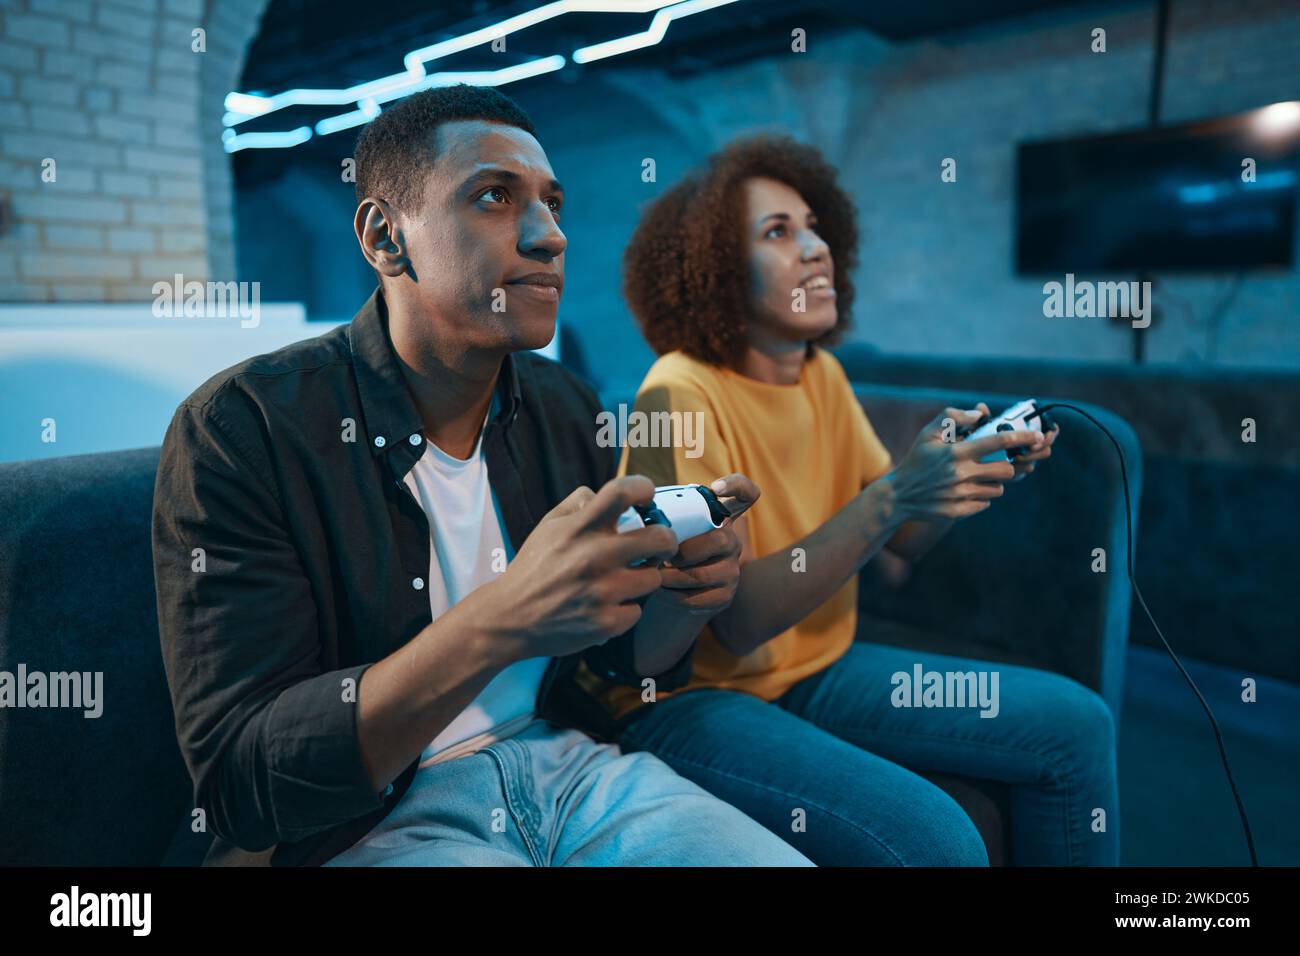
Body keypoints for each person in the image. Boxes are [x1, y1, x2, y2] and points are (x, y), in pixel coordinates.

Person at [152, 87, 811, 867]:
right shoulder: (243, 429)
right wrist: (504, 617)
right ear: (385, 236)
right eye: (495, 197)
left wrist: (680, 601)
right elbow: (245, 780)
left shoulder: (565, 406)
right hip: (375, 819)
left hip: (568, 767)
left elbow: (616, 664)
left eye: (553, 202)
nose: (550, 236)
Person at [578, 135, 1119, 866]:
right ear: (719, 273)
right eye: (778, 232)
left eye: (814, 226)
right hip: (694, 699)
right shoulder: (680, 390)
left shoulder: (821, 374)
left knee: (1078, 724)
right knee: (939, 839)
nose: (816, 248)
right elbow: (736, 624)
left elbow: (896, 548)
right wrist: (897, 495)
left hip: (819, 668)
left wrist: (958, 474)